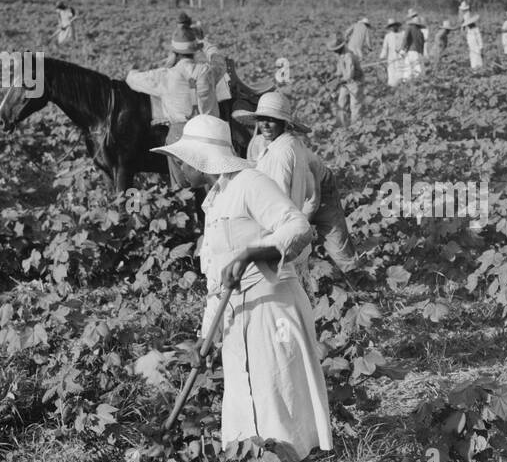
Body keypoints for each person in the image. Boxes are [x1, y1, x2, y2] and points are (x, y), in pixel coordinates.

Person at [154, 115, 329, 462]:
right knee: (248, 417)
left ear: (202, 160)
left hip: (270, 311)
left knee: (278, 410)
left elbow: (297, 227)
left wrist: (254, 252)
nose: (177, 170)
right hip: (235, 319)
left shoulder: (251, 184)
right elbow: (217, 278)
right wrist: (203, 337)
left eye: (182, 161)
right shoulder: (214, 201)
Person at [234, 93, 358, 274]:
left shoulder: (286, 152)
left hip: (320, 186)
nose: (265, 125)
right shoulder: (258, 144)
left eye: (272, 120)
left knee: (335, 239)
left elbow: (300, 202)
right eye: (262, 119)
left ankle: (355, 278)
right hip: (295, 190)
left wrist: (296, 229)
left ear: (285, 123)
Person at [126, 20, 218, 188]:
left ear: (174, 53)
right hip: (209, 134)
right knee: (212, 183)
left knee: (182, 186)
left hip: (180, 135)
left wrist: (167, 63)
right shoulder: (208, 71)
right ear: (195, 51)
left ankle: (184, 199)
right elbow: (219, 62)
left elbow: (132, 79)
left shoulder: (165, 76)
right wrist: (205, 43)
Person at [329, 33, 364, 126]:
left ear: (340, 47)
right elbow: (340, 71)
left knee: (355, 105)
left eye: (336, 49)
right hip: (345, 83)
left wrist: (338, 82)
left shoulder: (349, 56)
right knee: (341, 102)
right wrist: (333, 76)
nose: (335, 52)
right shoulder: (340, 55)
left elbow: (349, 75)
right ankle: (341, 124)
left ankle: (356, 127)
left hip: (355, 82)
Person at [379, 18, 404, 87]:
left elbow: (406, 45)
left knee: (402, 73)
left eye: (394, 25)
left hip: (401, 58)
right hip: (391, 59)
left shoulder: (403, 34)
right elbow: (385, 48)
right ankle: (392, 88)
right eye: (391, 26)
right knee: (392, 75)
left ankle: (402, 87)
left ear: (397, 26)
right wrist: (382, 57)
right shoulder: (388, 36)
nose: (393, 27)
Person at [402, 12, 425, 81]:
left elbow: (405, 39)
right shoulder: (421, 33)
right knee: (417, 71)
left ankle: (406, 86)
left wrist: (402, 50)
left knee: (408, 70)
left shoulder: (409, 28)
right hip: (419, 54)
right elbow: (422, 46)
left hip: (411, 52)